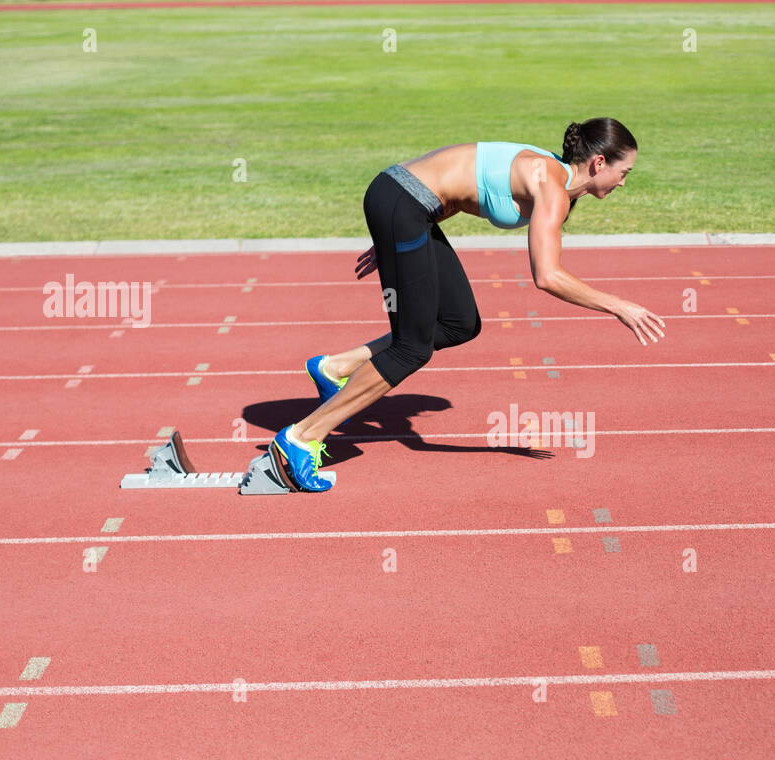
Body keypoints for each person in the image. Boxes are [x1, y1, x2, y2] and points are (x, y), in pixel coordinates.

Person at [270, 117, 665, 491]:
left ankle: (333, 367)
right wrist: (619, 306)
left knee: (459, 322)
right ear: (599, 163)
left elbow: (460, 194)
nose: (623, 183)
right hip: (401, 202)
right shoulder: (551, 185)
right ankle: (302, 437)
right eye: (624, 172)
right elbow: (547, 276)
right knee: (412, 349)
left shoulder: (553, 181)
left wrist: (392, 232)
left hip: (406, 207)